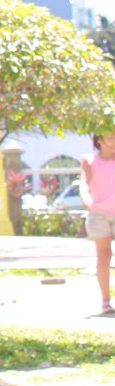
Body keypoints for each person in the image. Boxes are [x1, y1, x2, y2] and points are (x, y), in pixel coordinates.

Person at [82, 132, 115, 316]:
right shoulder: (89, 161)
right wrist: (86, 198)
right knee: (104, 255)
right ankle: (105, 301)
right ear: (100, 140)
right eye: (111, 137)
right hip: (99, 214)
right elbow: (84, 183)